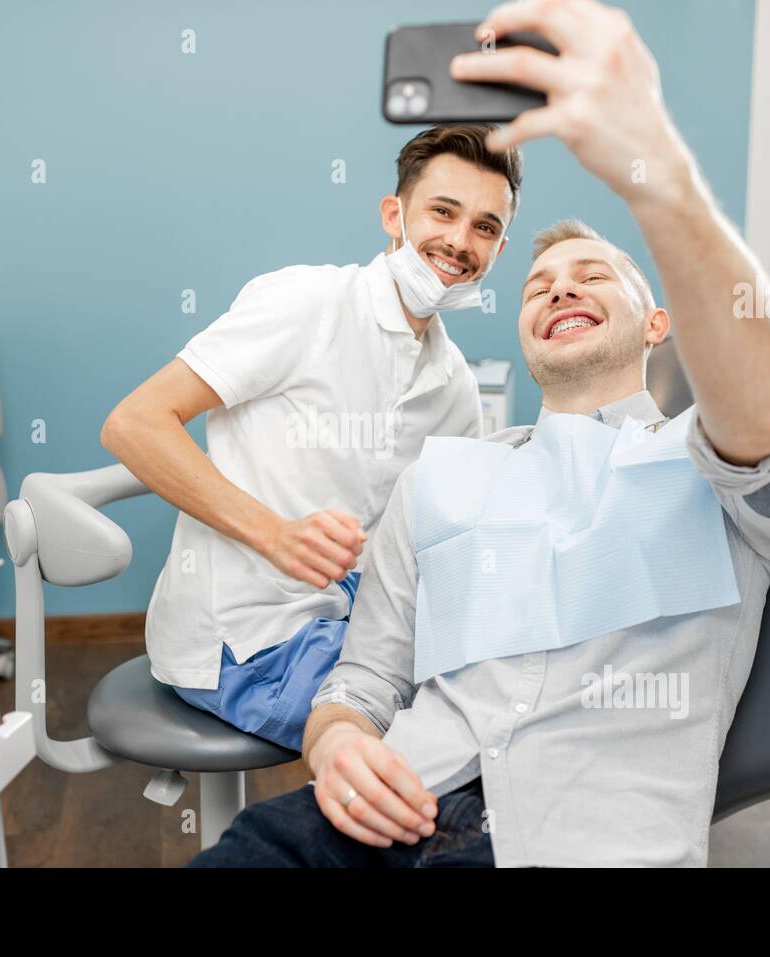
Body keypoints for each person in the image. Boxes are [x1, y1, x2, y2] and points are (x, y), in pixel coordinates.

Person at [189, 0, 770, 867]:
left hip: (586, 843)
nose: (559, 289)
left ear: (657, 324)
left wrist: (655, 172)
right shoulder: (442, 480)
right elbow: (366, 678)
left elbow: (760, 411)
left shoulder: (712, 470)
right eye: (538, 286)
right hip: (373, 821)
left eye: (592, 275)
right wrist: (335, 741)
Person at [100, 125, 523, 751]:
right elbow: (133, 424)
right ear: (394, 214)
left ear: (499, 249)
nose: (460, 241)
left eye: (484, 228)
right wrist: (275, 534)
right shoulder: (307, 303)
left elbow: (440, 541)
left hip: (348, 621)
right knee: (461, 735)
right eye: (443, 211)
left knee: (516, 681)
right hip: (246, 643)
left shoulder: (452, 385)